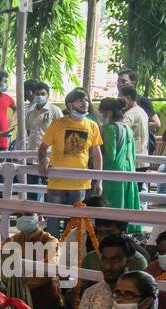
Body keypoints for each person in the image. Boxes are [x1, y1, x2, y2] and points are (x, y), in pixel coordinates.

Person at [37, 88, 103, 234]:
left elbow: (96, 154)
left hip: (80, 183)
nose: (84, 103)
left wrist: (99, 181)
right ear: (70, 105)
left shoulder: (92, 126)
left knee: (75, 221)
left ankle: (71, 250)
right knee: (53, 218)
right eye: (80, 100)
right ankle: (53, 249)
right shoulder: (57, 124)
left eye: (86, 100)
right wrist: (42, 162)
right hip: (57, 181)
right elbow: (42, 148)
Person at [77, 233, 138, 309]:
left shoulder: (141, 296)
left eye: (116, 260)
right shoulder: (91, 293)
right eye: (105, 259)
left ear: (129, 262)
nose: (108, 266)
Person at [97, 97, 141, 215]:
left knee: (112, 209)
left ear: (109, 113)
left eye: (101, 112)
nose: (100, 115)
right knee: (126, 206)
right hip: (129, 171)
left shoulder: (110, 129)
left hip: (113, 173)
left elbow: (110, 156)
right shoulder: (127, 128)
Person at [116, 67, 160, 154]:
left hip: (138, 149)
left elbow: (157, 123)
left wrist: (136, 126)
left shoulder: (142, 101)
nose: (120, 84)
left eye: (124, 81)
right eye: (118, 82)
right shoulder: (118, 102)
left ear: (133, 83)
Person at [117, 85, 151, 171]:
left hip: (132, 159)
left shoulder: (130, 114)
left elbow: (120, 131)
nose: (119, 100)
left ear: (128, 98)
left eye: (121, 98)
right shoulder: (142, 111)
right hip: (143, 158)